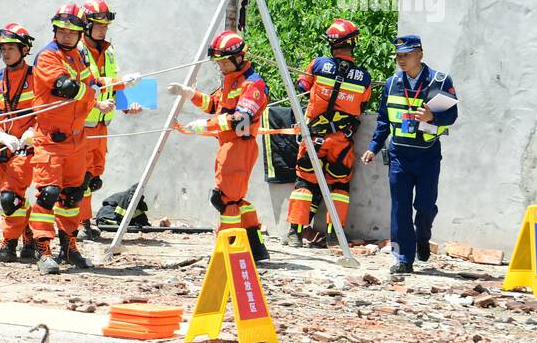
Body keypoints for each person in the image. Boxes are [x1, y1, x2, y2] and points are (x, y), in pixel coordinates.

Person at [169, 30, 271, 263]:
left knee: (225, 200)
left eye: (224, 61)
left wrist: (206, 125)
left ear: (239, 58)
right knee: (234, 200)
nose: (221, 66)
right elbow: (215, 104)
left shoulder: (252, 85)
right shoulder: (232, 81)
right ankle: (255, 248)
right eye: (219, 62)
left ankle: (228, 251)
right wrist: (190, 94)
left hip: (239, 146)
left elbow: (240, 119)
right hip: (228, 145)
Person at [362, 34, 459, 275]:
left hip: (427, 155)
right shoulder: (392, 83)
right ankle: (403, 258)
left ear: (420, 54)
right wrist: (373, 147)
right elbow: (384, 120)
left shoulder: (439, 81)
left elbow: (452, 116)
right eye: (398, 56)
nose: (401, 60)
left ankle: (422, 237)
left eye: (406, 55)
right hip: (399, 155)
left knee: (425, 206)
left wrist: (432, 117)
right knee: (400, 208)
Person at [285, 19, 373, 246]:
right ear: (353, 44)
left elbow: (302, 87)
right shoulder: (364, 77)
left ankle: (294, 233)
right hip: (341, 141)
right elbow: (361, 107)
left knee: (304, 183)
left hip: (313, 137)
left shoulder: (317, 65)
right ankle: (336, 235)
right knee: (340, 186)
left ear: (333, 44)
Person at [29, 5, 102, 274]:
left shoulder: (78, 58)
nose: (67, 36)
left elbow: (92, 84)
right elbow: (68, 87)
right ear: (55, 31)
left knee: (73, 196)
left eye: (73, 32)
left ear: (81, 34)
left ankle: (70, 247)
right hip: (51, 139)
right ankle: (43, 249)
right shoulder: (48, 56)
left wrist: (121, 83)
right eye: (62, 31)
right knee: (48, 195)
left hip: (76, 139)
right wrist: (92, 93)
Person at [77, 0, 142, 240]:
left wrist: (128, 105)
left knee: (93, 178)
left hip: (101, 125)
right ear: (86, 25)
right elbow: (82, 87)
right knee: (79, 179)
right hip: (82, 124)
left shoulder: (109, 51)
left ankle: (84, 222)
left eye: (105, 26)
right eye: (99, 25)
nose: (104, 30)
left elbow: (114, 85)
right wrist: (96, 104)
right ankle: (77, 224)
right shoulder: (78, 51)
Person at [0, 23, 38, 262]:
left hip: (28, 147)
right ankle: (30, 237)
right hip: (3, 147)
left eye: (11, 48)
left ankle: (8, 245)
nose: (6, 53)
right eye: (3, 48)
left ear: (24, 50)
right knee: (15, 197)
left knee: (9, 198)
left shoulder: (36, 78)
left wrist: (31, 132)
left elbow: (46, 111)